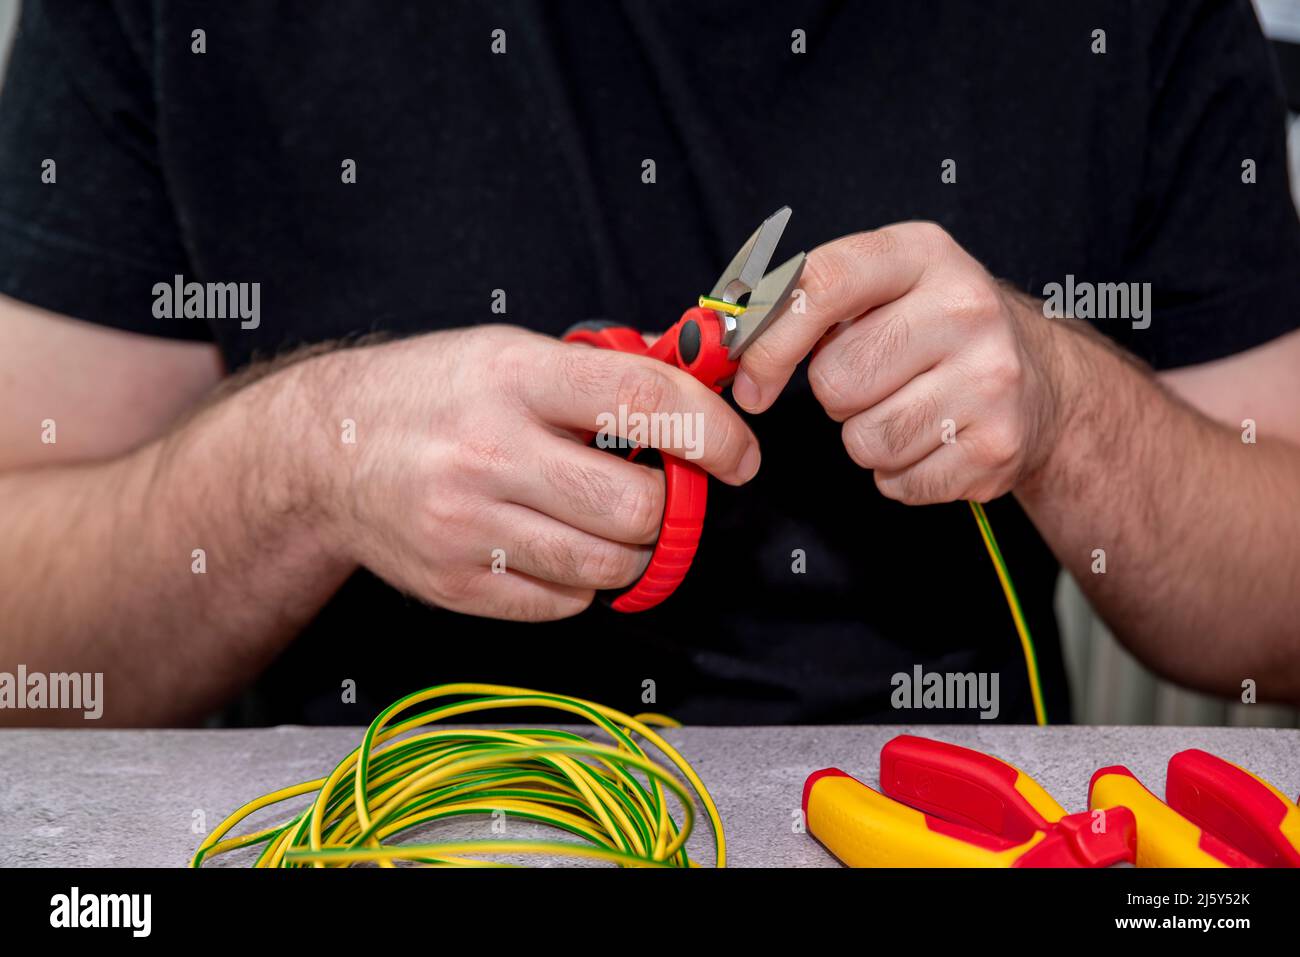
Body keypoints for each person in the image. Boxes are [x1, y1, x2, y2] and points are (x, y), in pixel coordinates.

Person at [1, 1, 1298, 726]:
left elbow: (1283, 624)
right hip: (363, 811)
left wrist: (1072, 417)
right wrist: (296, 465)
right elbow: (26, 651)